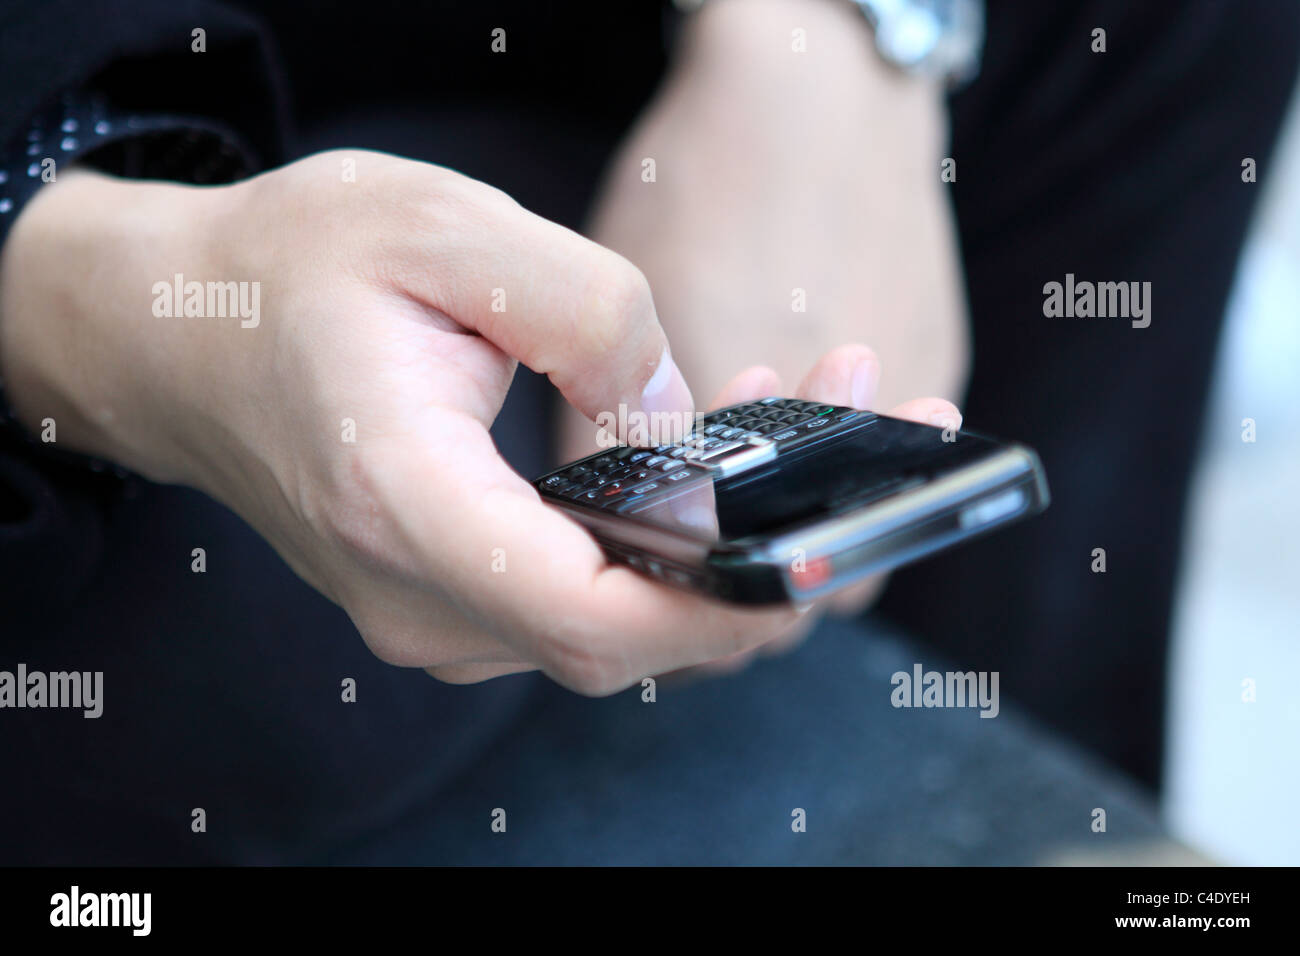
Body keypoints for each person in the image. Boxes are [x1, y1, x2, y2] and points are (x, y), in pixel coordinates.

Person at [0, 1, 1295, 863]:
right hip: (107, 213)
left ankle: (1052, 817)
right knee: (295, 658)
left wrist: (826, 38)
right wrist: (99, 293)